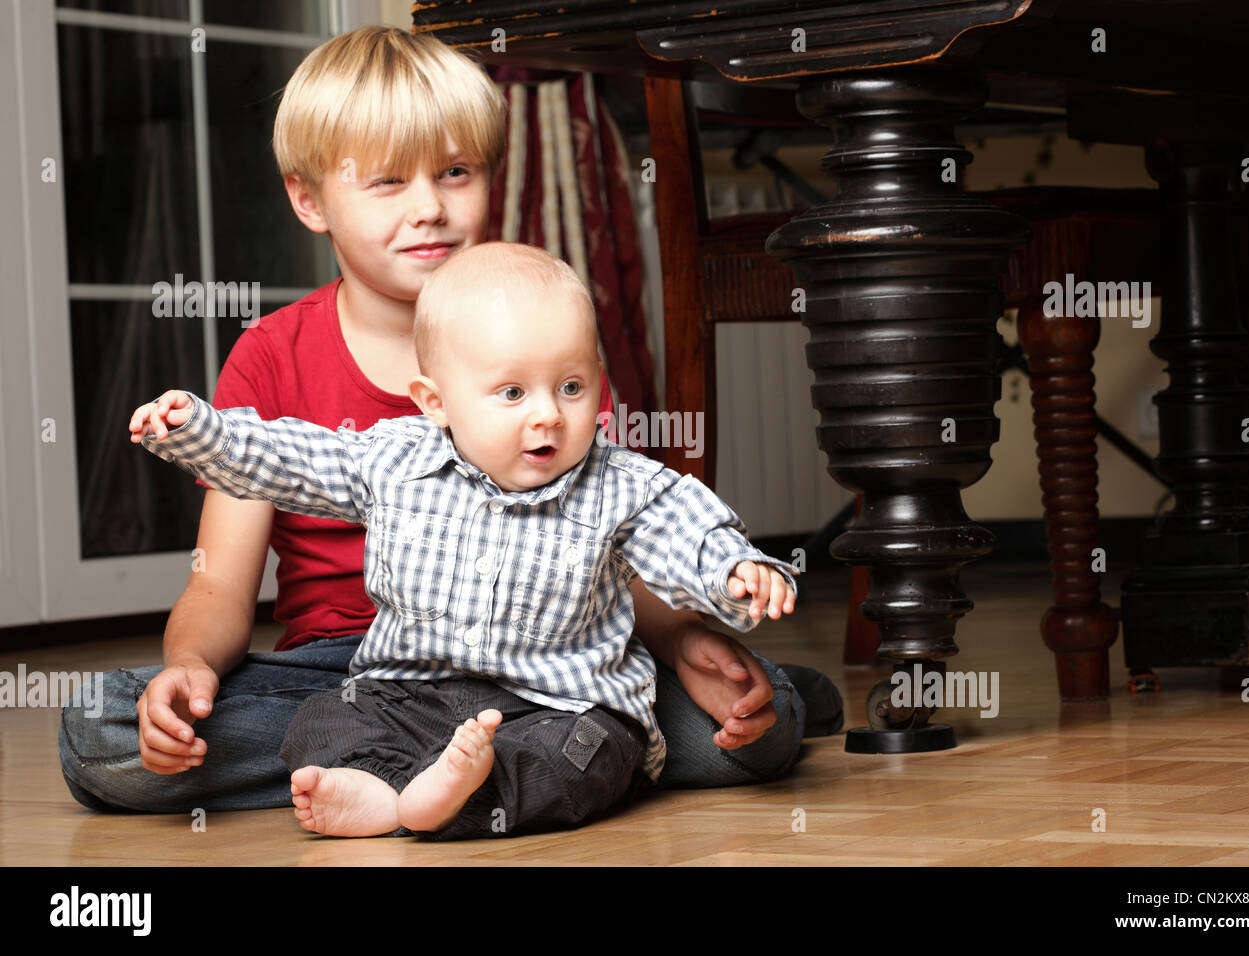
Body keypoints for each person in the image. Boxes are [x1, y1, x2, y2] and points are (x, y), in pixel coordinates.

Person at [59, 26, 840, 816]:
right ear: (308, 199)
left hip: (549, 667)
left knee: (751, 726)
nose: (429, 208)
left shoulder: (545, 340)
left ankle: (427, 775)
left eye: (456, 173)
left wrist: (679, 638)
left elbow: (612, 530)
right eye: (389, 182)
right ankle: (501, 772)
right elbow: (220, 582)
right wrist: (188, 667)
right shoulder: (272, 358)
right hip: (355, 674)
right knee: (104, 733)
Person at [128, 242, 799, 840]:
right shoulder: (394, 459)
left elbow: (688, 529)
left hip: (559, 707)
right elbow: (291, 456)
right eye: (511, 392)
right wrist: (200, 430)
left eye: (571, 386)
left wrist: (738, 570)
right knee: (323, 719)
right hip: (413, 697)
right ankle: (400, 791)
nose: (548, 414)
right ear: (434, 401)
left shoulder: (622, 484)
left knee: (587, 754)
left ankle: (433, 799)